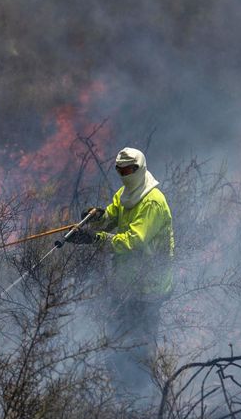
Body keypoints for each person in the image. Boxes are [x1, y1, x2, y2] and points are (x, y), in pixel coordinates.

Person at [66, 147, 175, 385]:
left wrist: (96, 239)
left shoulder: (152, 202)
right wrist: (97, 218)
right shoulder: (126, 194)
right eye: (120, 170)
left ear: (140, 168)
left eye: (129, 169)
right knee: (117, 338)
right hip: (125, 282)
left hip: (148, 287)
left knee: (140, 345)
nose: (125, 174)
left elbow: (134, 241)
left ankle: (143, 394)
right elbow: (112, 218)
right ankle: (120, 388)